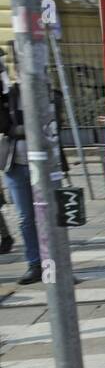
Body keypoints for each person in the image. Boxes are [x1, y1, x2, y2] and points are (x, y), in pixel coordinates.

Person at [0, 77, 44, 285]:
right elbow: (4, 125)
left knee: (48, 217)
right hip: (14, 166)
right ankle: (34, 264)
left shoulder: (46, 92)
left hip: (44, 166)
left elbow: (51, 123)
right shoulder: (7, 96)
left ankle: (55, 262)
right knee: (25, 218)